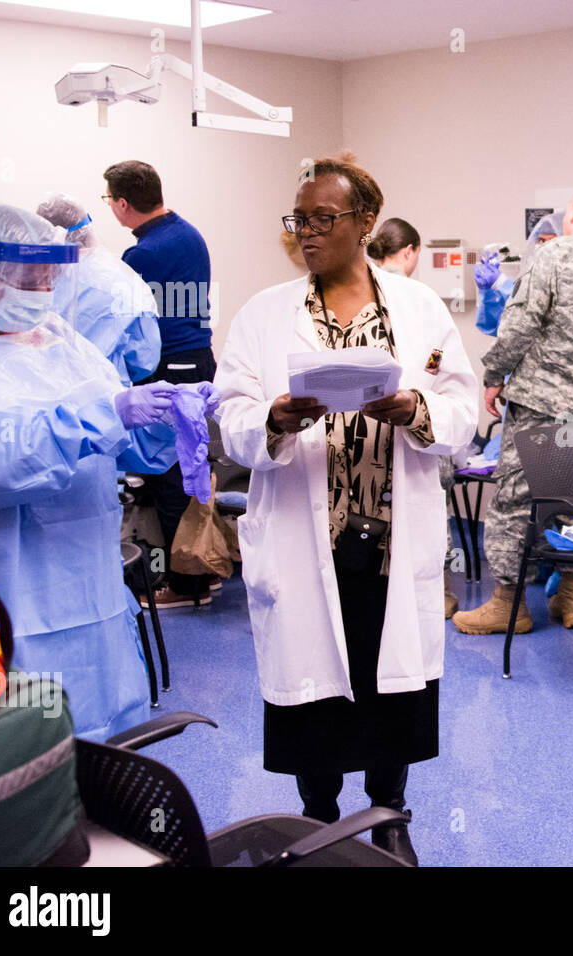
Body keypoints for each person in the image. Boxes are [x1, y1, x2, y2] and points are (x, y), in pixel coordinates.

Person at [214, 156, 477, 864]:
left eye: (324, 218)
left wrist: (416, 409)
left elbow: (464, 409)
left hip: (392, 537)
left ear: (364, 223)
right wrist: (272, 418)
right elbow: (229, 412)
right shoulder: (265, 314)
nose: (307, 232)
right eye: (298, 219)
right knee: (315, 695)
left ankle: (389, 816)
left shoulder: (419, 310)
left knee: (392, 686)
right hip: (309, 540)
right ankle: (316, 823)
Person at [0, 205, 181, 741]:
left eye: (50, 276)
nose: (44, 289)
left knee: (106, 752)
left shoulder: (64, 340)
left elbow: (125, 448)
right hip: (7, 597)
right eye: (30, 278)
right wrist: (98, 419)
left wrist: (169, 421)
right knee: (17, 758)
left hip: (92, 593)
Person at [452, 186, 573, 635]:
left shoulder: (553, 256)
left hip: (542, 408)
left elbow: (521, 323)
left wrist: (494, 375)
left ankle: (509, 605)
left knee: (514, 503)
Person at [103, 160, 215, 608]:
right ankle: (205, 570)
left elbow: (126, 322)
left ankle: (186, 586)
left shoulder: (141, 256)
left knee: (172, 474)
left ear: (122, 203)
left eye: (109, 200)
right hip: (197, 361)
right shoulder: (188, 234)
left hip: (171, 368)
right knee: (192, 471)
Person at [368, 215, 460, 618]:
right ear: (408, 252)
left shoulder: (357, 290)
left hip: (366, 439)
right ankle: (437, 593)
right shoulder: (419, 298)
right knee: (429, 509)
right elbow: (437, 364)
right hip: (413, 421)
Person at [35, 191, 161, 386]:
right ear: (87, 226)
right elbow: (145, 360)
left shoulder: (32, 281)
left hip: (48, 394)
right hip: (107, 400)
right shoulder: (126, 281)